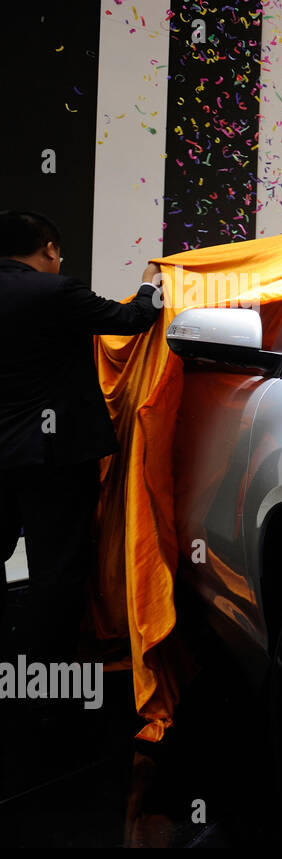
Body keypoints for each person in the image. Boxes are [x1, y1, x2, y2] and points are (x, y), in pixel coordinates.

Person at [0, 211, 162, 665]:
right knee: (56, 568)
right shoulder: (57, 291)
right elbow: (134, 318)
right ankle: (47, 674)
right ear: (49, 249)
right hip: (54, 458)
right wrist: (149, 282)